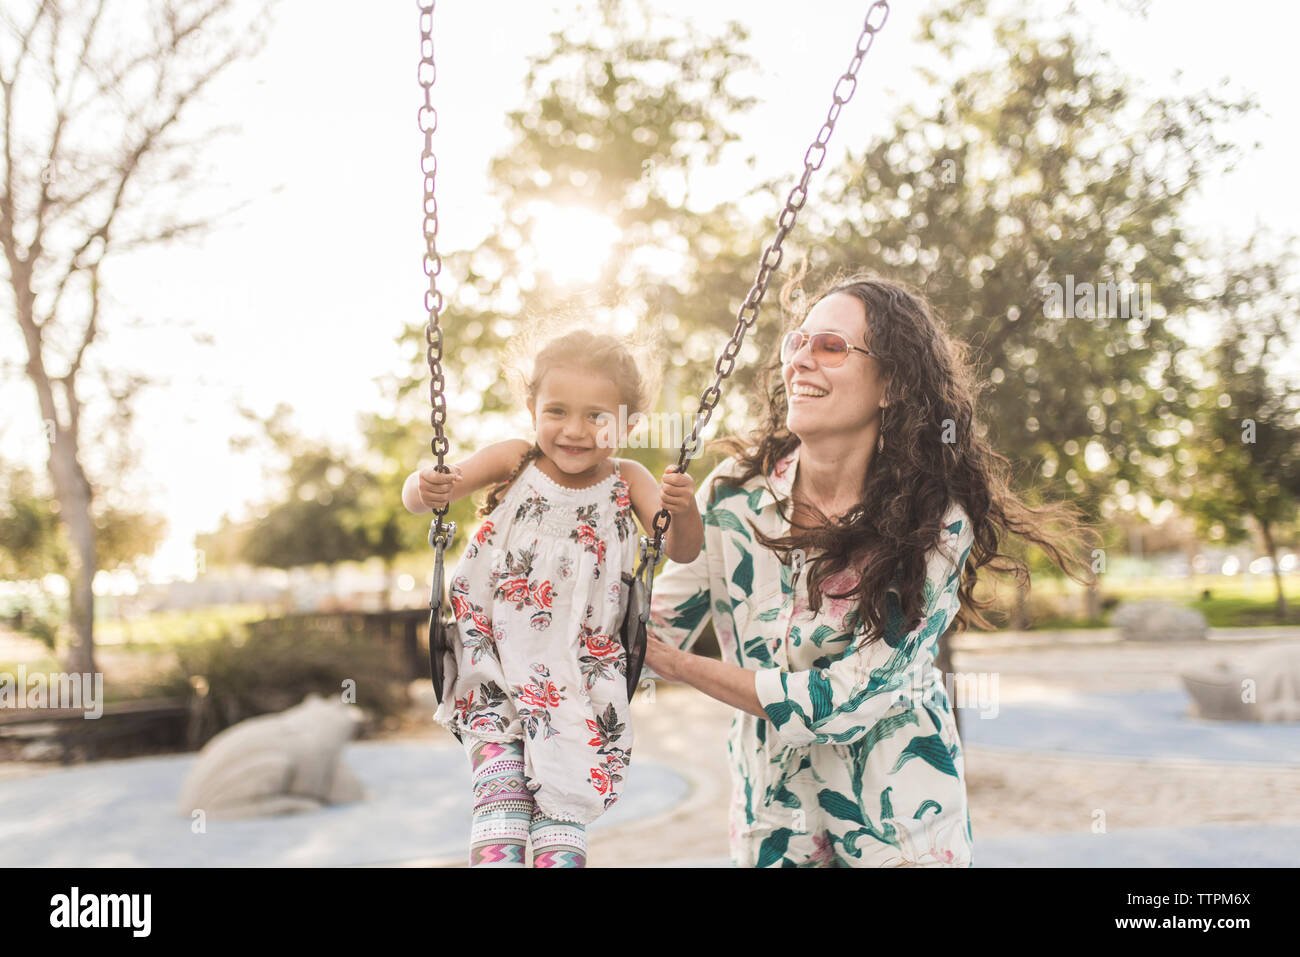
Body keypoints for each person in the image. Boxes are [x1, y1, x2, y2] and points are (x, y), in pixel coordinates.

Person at [643, 271, 1093, 867]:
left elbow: (844, 701)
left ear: (890, 383)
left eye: (831, 347)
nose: (801, 361)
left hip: (901, 823)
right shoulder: (731, 496)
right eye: (796, 343)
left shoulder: (934, 521)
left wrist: (678, 667)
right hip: (774, 821)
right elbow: (651, 633)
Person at [401, 328, 702, 868]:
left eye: (596, 416)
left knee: (562, 806)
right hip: (489, 654)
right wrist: (424, 486)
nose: (574, 430)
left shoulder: (627, 479)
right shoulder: (515, 459)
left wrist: (685, 508)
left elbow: (682, 548)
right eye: (558, 410)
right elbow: (426, 494)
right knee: (501, 795)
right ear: (532, 407)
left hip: (580, 672)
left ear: (629, 423)